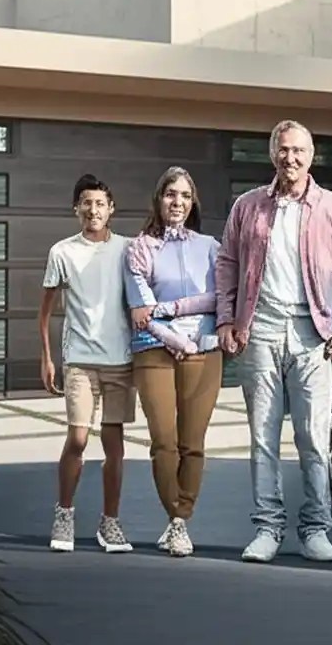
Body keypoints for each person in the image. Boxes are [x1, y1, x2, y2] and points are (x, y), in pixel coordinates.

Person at [215, 119, 332, 563]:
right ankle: (267, 528)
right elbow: (227, 263)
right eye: (283, 150)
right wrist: (226, 320)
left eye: (299, 150)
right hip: (259, 326)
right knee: (263, 435)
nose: (291, 158)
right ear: (272, 154)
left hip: (312, 333)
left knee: (313, 437)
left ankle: (316, 528)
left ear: (312, 154)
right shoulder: (249, 206)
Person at [123, 166, 224, 558]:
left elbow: (217, 298)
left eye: (184, 195)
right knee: (164, 441)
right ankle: (176, 519)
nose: (177, 202)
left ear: (192, 201)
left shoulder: (210, 247)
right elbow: (140, 309)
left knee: (192, 443)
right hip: (154, 348)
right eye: (170, 194)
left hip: (202, 349)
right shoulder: (140, 248)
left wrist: (176, 312)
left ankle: (182, 518)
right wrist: (174, 337)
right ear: (159, 199)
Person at [39, 173, 137, 554]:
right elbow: (45, 312)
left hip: (120, 362)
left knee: (115, 445)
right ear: (76, 208)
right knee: (78, 439)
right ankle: (64, 513)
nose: (93, 209)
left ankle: (109, 523)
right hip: (79, 360)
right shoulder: (62, 251)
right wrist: (47, 358)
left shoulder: (129, 249)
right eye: (86, 202)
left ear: (110, 209)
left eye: (100, 203)